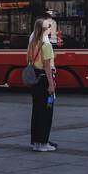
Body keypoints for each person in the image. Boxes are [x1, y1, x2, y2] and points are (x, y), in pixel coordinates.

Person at [25, 17, 57, 152]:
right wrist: (51, 84)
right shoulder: (46, 44)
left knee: (36, 111)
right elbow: (47, 66)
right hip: (44, 80)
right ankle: (43, 143)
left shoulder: (33, 43)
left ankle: (36, 142)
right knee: (46, 112)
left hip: (35, 81)